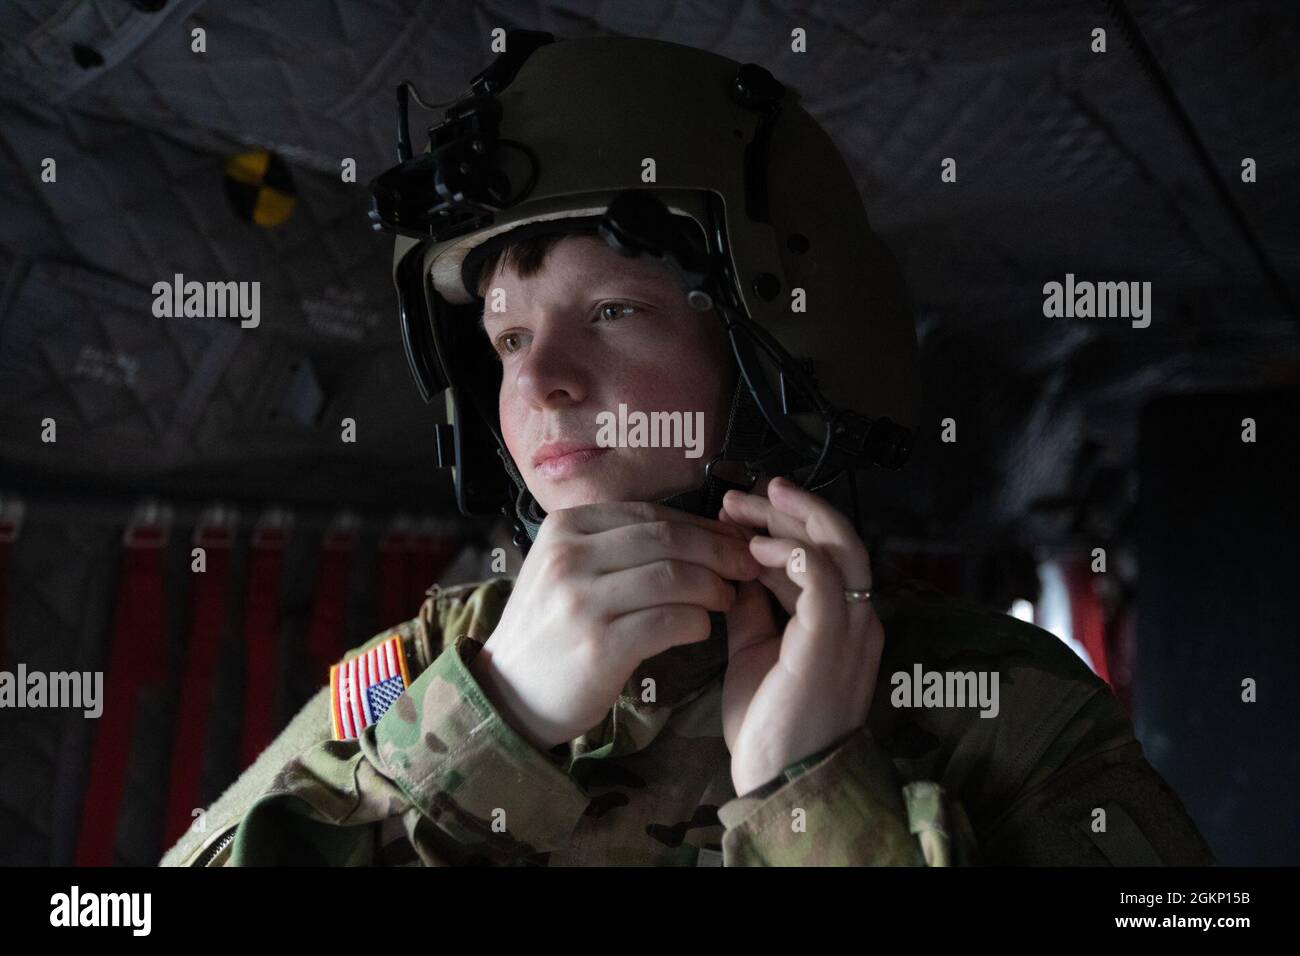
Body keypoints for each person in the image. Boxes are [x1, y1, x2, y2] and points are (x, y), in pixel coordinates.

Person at [159, 33, 1214, 867]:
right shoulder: (427, 675)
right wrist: (491, 722)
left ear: (775, 349)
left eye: (614, 311)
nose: (536, 382)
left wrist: (808, 788)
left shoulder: (995, 697)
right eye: (509, 338)